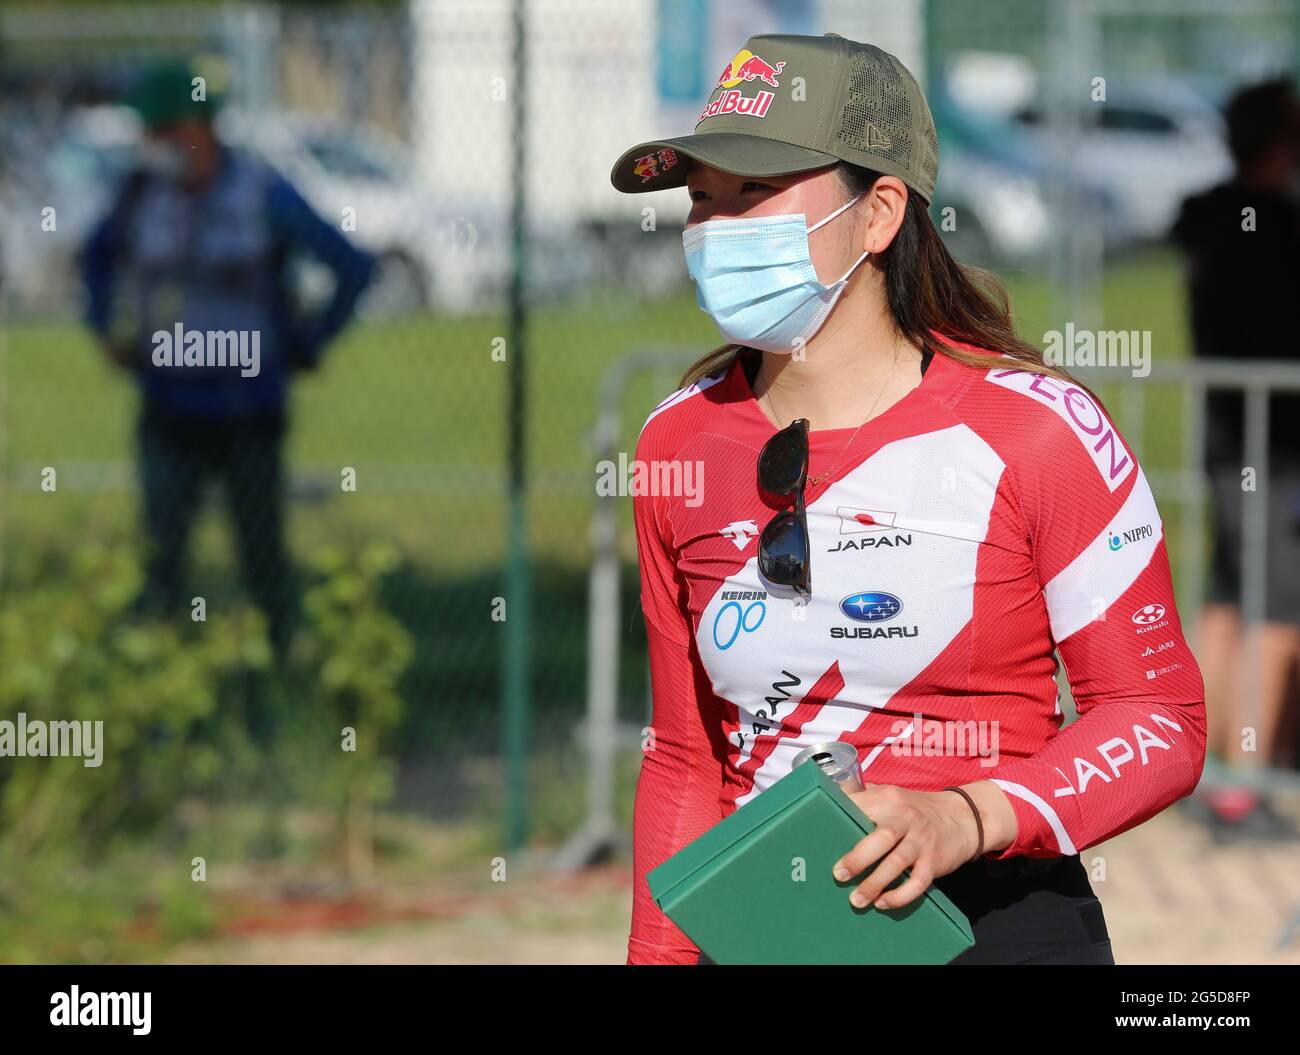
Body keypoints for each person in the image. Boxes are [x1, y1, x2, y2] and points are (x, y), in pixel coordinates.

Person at [610, 32, 1206, 965]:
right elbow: (686, 758)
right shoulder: (674, 443)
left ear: (881, 211)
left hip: (994, 923)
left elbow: (1159, 718)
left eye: (755, 194)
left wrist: (965, 817)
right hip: (769, 924)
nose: (715, 230)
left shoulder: (1040, 431)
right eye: (701, 200)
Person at [80, 62, 375, 656]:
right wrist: (107, 328)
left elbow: (352, 266)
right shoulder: (140, 196)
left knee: (263, 559)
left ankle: (278, 682)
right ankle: (158, 699)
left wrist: (309, 342)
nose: (151, 146)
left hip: (248, 414)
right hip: (167, 412)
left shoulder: (264, 195)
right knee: (158, 561)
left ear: (197, 128)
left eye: (161, 131)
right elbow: (93, 261)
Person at [1171, 78, 1300, 838]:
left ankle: (1208, 769)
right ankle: (1237, 790)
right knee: (1277, 608)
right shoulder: (1272, 228)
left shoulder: (1208, 217)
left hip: (1232, 439)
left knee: (1228, 598)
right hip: (1275, 446)